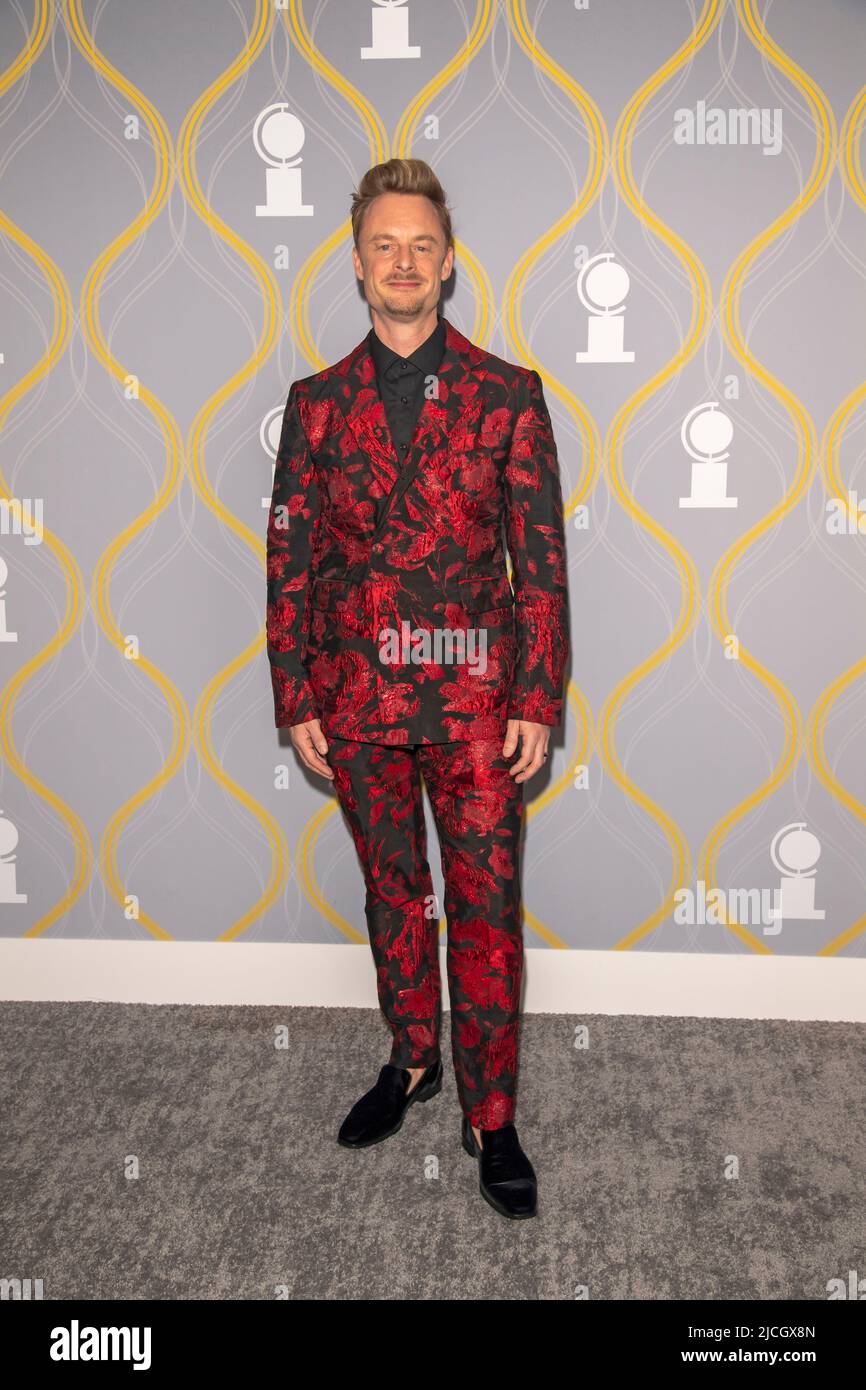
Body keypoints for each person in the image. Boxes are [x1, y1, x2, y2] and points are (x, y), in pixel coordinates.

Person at [266, 158, 569, 1219]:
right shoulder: (313, 407)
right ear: (357, 265)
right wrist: (292, 691)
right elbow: (289, 558)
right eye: (383, 245)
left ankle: (491, 1114)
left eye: (421, 244)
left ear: (448, 263)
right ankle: (410, 1062)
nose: (403, 261)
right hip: (355, 704)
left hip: (480, 706)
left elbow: (538, 558)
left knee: (484, 910)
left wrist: (537, 695)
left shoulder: (506, 395)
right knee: (396, 897)